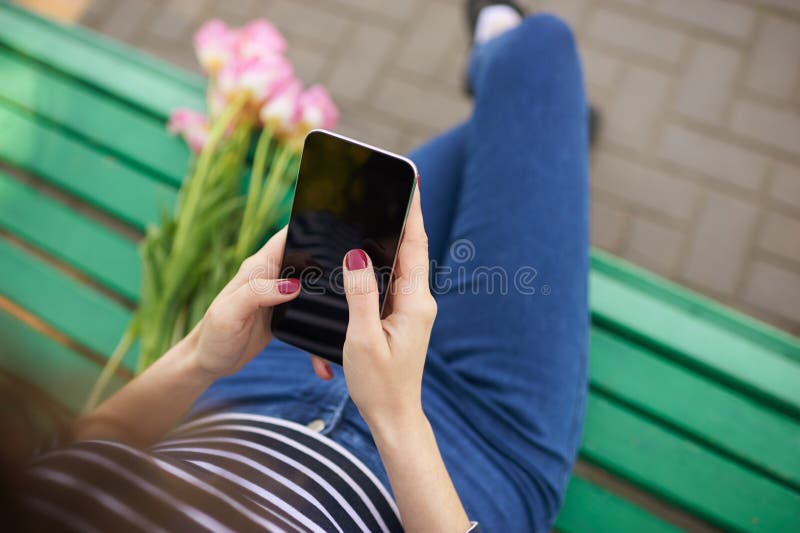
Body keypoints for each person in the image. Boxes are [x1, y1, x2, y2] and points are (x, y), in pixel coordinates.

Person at [13, 1, 589, 531]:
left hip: (272, 368)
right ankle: (514, 71)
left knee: (516, 114)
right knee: (539, 57)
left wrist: (200, 356)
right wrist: (397, 419)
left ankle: (535, 107)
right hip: (471, 448)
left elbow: (91, 449)